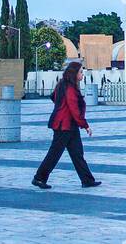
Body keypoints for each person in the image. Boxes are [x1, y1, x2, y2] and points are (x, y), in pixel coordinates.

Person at [32, 61, 100, 190]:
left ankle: (87, 180)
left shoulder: (63, 84)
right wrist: (85, 125)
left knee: (77, 154)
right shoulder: (69, 88)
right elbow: (74, 108)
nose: (82, 74)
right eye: (81, 72)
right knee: (55, 154)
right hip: (64, 126)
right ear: (74, 73)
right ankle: (39, 178)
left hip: (68, 125)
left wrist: (61, 106)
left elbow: (53, 97)